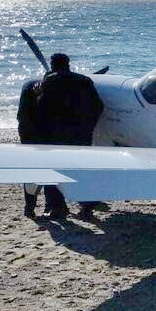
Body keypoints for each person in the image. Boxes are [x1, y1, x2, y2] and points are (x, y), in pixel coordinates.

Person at [35, 53, 104, 219]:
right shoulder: (84, 80)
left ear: (53, 65)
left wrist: (38, 93)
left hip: (56, 134)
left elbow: (42, 108)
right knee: (82, 170)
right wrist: (89, 126)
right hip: (81, 133)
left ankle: (58, 207)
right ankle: (87, 207)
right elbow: (98, 105)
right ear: (68, 64)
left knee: (54, 170)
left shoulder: (50, 81)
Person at [17, 79, 44, 218]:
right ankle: (52, 206)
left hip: (27, 133)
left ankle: (30, 207)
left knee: (32, 171)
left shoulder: (28, 86)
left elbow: (21, 116)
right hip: (38, 134)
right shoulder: (38, 87)